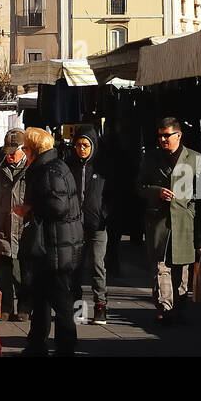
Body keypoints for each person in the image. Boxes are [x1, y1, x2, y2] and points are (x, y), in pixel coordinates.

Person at [17, 128, 83, 356]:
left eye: (25, 147)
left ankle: (66, 347)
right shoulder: (54, 165)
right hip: (53, 244)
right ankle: (37, 344)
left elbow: (58, 206)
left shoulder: (47, 170)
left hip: (55, 245)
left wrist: (29, 209)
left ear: (34, 149)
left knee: (60, 300)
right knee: (41, 296)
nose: (23, 152)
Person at [137, 117, 201, 325]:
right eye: (160, 135)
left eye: (167, 135)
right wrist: (156, 192)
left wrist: (193, 215)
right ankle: (164, 308)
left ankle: (181, 307)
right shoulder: (150, 157)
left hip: (184, 221)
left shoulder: (195, 158)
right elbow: (139, 186)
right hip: (159, 221)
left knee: (182, 267)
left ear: (178, 135)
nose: (163, 139)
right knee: (160, 266)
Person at [0, 129, 29, 321]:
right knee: (3, 270)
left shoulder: (31, 166)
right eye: (6, 152)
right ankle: (5, 306)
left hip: (24, 226)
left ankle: (24, 307)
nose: (9, 156)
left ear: (23, 150)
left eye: (13, 152)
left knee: (22, 271)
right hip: (2, 224)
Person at [66, 131, 109, 325]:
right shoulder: (69, 166)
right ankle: (78, 308)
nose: (82, 149)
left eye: (86, 145)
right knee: (75, 267)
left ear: (93, 147)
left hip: (97, 225)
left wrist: (105, 214)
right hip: (74, 225)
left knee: (97, 265)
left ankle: (100, 306)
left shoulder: (103, 167)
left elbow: (111, 194)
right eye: (78, 145)